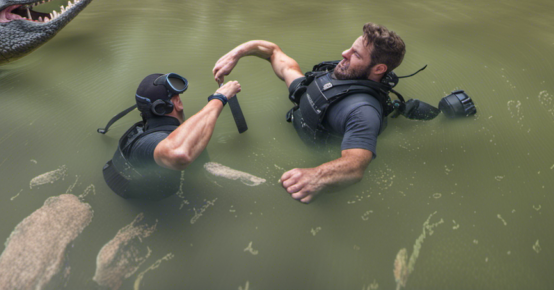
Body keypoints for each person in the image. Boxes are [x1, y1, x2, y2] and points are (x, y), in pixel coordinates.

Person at [212, 23, 405, 204]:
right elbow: (274, 53)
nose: (344, 54)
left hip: (319, 156)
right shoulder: (334, 78)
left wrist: (317, 175)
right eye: (350, 48)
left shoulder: (364, 111)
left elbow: (356, 165)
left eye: (356, 54)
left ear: (379, 68)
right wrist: (238, 53)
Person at [103, 72, 241, 200]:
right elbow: (179, 154)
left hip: (124, 186)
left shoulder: (145, 129)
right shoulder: (151, 141)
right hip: (150, 204)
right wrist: (219, 99)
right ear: (177, 102)